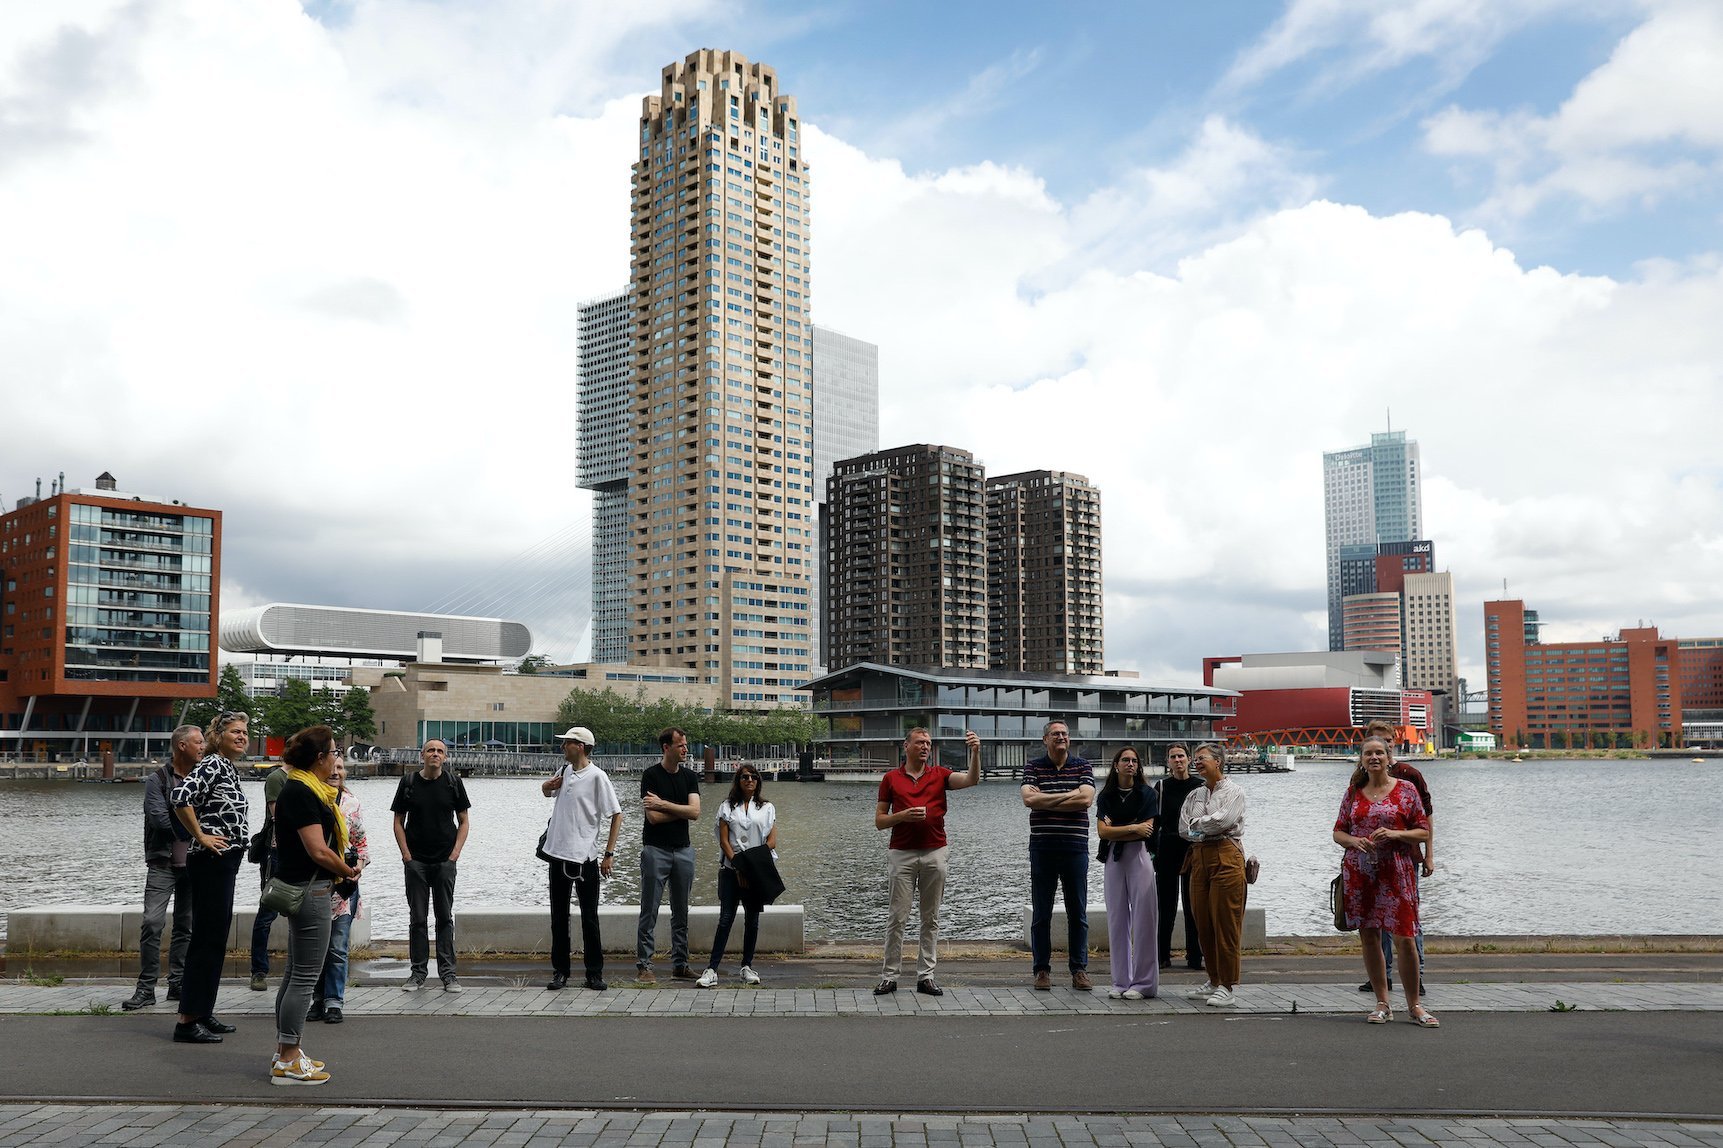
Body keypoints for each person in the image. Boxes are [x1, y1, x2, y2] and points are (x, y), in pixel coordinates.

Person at [270, 726, 362, 1085]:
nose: (338, 758)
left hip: (306, 889)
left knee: (295, 974)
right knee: (305, 979)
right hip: (312, 892)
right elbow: (318, 850)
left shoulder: (303, 788)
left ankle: (286, 1053)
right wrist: (347, 870)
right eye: (335, 752)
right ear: (320, 758)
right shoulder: (303, 792)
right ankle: (289, 1058)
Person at [1333, 735, 1437, 1028]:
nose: (1374, 757)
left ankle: (1415, 1005)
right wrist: (1354, 841)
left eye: (1380, 752)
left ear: (1389, 757)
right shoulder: (1353, 792)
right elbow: (1338, 832)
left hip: (1397, 873)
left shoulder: (1406, 790)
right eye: (1369, 753)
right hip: (1361, 872)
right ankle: (1382, 1003)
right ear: (1362, 759)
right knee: (1369, 937)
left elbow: (1423, 831)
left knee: (1405, 937)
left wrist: (1395, 834)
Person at [873, 728, 981, 997]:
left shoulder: (940, 774)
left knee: (930, 917)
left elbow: (971, 780)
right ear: (906, 746)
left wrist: (976, 752)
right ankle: (889, 976)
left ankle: (926, 976)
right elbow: (879, 821)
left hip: (935, 852)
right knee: (897, 917)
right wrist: (903, 816)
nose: (925, 747)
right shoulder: (891, 778)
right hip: (901, 853)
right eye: (920, 742)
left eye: (928, 744)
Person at [169, 710, 252, 1044]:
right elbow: (179, 797)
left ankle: (202, 1011)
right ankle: (187, 1021)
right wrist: (200, 835)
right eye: (236, 731)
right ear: (218, 736)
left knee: (215, 939)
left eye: (246, 732)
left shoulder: (227, 768)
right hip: (211, 859)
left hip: (225, 860)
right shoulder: (213, 764)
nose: (243, 737)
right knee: (206, 939)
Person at [120, 724, 200, 1011]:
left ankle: (177, 983)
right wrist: (197, 833)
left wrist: (198, 837)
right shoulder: (158, 780)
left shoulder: (203, 777)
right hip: (162, 862)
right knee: (152, 923)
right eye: (198, 742)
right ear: (182, 746)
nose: (202, 747)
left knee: (185, 926)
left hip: (194, 863)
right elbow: (158, 819)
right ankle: (146, 988)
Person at [1357, 719, 1434, 994]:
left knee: (1407, 920)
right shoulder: (1359, 780)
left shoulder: (1409, 776)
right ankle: (1383, 975)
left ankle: (1417, 975)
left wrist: (1429, 856)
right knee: (1377, 921)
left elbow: (1426, 820)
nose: (1382, 748)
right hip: (1369, 863)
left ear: (1393, 743)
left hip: (1405, 859)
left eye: (1387, 742)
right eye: (1375, 742)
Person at [542, 725, 622, 992]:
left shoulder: (597, 776)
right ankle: (560, 972)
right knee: (558, 917)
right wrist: (547, 785)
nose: (563, 747)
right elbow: (547, 792)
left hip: (585, 856)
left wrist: (608, 854)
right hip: (557, 853)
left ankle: (594, 974)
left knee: (590, 917)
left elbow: (616, 814)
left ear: (580, 746)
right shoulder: (563, 771)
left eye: (567, 743)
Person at [1022, 720, 1097, 992]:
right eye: (1055, 734)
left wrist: (1048, 798)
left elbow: (1086, 800)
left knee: (1077, 913)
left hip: (1075, 848)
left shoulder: (1083, 766)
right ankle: (1041, 970)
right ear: (1045, 739)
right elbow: (1029, 801)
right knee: (1041, 913)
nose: (1061, 737)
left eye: (1064, 733)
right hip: (1042, 848)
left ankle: (1079, 970)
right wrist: (1070, 794)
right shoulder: (1033, 766)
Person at [391, 739, 471, 992]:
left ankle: (448, 975)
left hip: (444, 862)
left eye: (439, 751)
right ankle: (417, 974)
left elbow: (464, 821)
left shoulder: (453, 783)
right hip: (416, 862)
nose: (435, 755)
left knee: (444, 918)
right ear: (422, 755)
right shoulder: (409, 783)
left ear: (445, 758)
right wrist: (406, 855)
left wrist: (454, 854)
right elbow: (398, 821)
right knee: (417, 918)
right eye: (430, 751)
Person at [1177, 743, 1248, 1008]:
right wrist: (1201, 826)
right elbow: (1182, 828)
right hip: (1198, 855)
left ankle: (1228, 985)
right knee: (1202, 920)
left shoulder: (1234, 791)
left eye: (1202, 758)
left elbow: (1223, 821)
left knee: (1225, 921)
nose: (1196, 762)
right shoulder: (1194, 794)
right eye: (1195, 758)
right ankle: (1214, 978)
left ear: (1218, 761)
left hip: (1226, 854)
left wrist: (1198, 825)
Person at [698, 763, 778, 988]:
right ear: (738, 781)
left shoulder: (767, 808)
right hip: (730, 870)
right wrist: (738, 866)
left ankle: (747, 966)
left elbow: (771, 841)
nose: (749, 780)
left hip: (755, 871)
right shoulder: (726, 807)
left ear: (758, 781)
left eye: (753, 776)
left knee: (752, 920)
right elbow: (724, 841)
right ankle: (712, 969)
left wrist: (750, 866)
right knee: (725, 919)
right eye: (744, 777)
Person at [636, 726, 701, 984]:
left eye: (686, 745)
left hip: (684, 851)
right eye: (680, 745)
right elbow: (652, 817)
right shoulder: (651, 776)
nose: (685, 749)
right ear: (666, 747)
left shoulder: (689, 777)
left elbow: (695, 813)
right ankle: (644, 966)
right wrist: (681, 809)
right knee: (649, 910)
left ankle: (680, 964)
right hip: (655, 851)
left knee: (681, 911)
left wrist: (664, 804)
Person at [1096, 746, 1158, 999]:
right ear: (1116, 765)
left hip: (1140, 856)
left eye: (1134, 760)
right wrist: (1132, 826)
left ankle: (1144, 984)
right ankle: (1120, 982)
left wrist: (1117, 828)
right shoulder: (1106, 796)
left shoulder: (1147, 793)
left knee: (1145, 920)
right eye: (1125, 760)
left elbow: (1148, 831)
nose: (1130, 764)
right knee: (1117, 920)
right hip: (1113, 857)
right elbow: (1102, 832)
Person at [309, 758, 368, 1024]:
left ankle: (334, 1001)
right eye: (332, 766)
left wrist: (356, 869)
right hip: (314, 882)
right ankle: (316, 999)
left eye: (341, 768)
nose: (336, 772)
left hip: (344, 886)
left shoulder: (352, 804)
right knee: (314, 947)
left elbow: (361, 843)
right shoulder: (310, 799)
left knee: (337, 946)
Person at [1151, 743, 1204, 971]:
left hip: (1192, 849)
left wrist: (1193, 837)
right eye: (1173, 757)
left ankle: (1195, 958)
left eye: (1181, 756)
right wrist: (1151, 852)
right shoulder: (1161, 787)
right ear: (1168, 761)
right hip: (1166, 851)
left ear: (1189, 759)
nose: (1178, 760)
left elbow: (1206, 820)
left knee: (1194, 906)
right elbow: (1154, 823)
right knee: (1165, 906)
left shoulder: (1201, 787)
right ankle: (1162, 956)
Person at [248, 763, 290, 992]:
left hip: (301, 852)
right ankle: (259, 971)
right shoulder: (277, 778)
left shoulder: (309, 776)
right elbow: (279, 816)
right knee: (267, 911)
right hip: (276, 853)